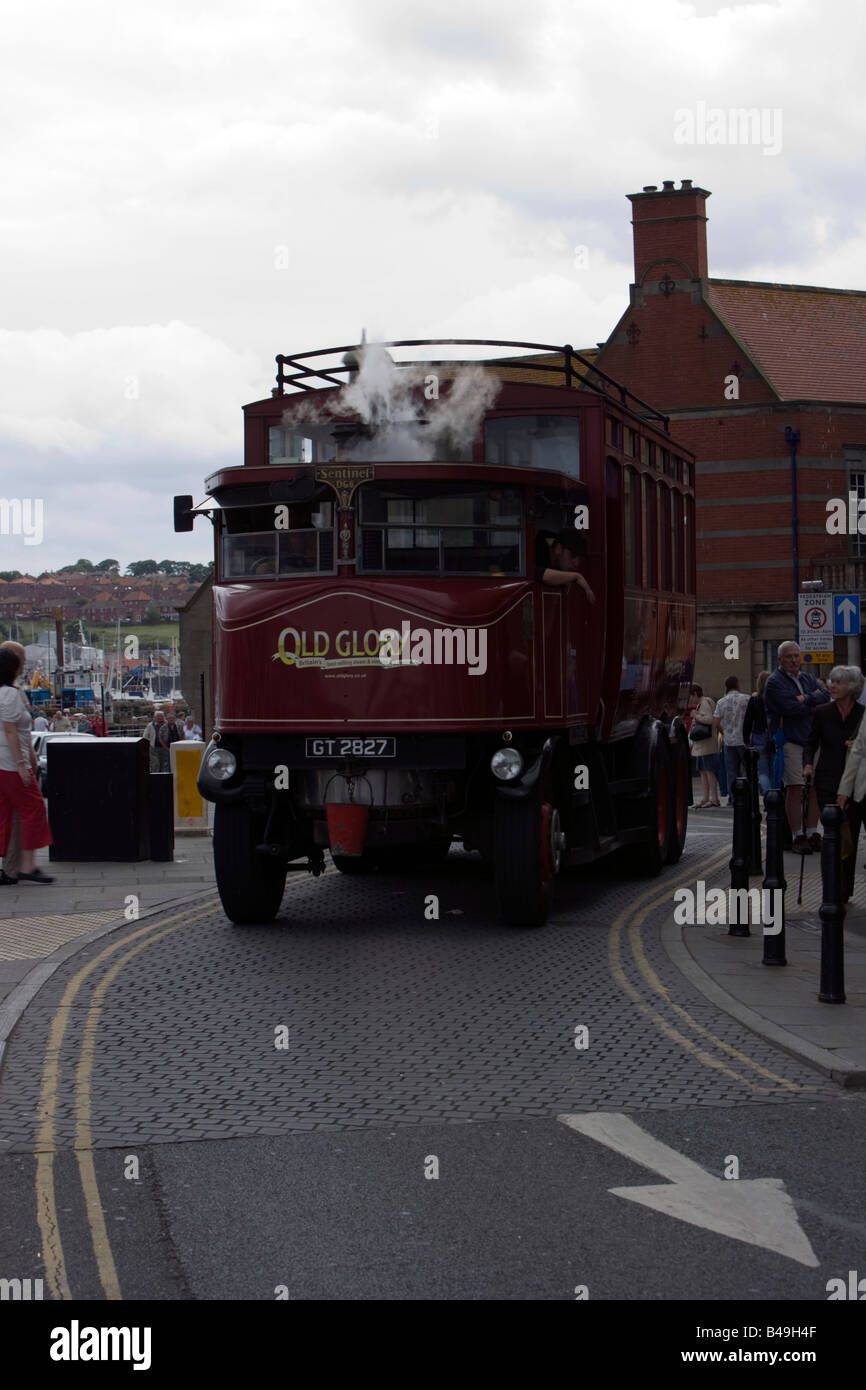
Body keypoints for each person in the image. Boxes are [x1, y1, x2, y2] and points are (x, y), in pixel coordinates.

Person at [764, 641, 830, 853]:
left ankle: (812, 832)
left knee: (814, 789)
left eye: (796, 656)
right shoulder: (774, 682)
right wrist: (811, 702)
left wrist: (805, 699)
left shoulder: (807, 677)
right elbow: (789, 707)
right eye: (789, 656)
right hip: (791, 740)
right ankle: (797, 836)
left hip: (812, 740)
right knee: (796, 788)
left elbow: (825, 696)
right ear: (780, 659)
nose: (793, 660)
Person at [804, 666, 864, 899]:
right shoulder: (822, 711)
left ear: (852, 687)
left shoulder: (863, 713)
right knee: (832, 835)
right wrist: (808, 764)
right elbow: (810, 743)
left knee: (850, 836)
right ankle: (831, 887)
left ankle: (845, 887)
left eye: (839, 682)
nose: (833, 685)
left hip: (856, 783)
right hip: (827, 780)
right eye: (832, 681)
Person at [0, 647, 54, 885]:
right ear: (14, 668)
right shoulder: (10, 694)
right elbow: (11, 731)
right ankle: (27, 866)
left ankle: (13, 868)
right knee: (35, 808)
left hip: (3, 763)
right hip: (11, 764)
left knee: (7, 814)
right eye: (20, 662)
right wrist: (23, 764)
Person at [713, 675, 750, 805]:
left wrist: (724, 732)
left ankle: (734, 797)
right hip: (744, 740)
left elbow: (716, 722)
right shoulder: (746, 699)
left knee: (731, 771)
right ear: (737, 685)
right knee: (748, 768)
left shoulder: (721, 702)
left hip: (729, 741)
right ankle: (746, 793)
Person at [535, 529, 596, 603]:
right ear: (558, 548)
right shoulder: (534, 549)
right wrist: (576, 576)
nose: (576, 564)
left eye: (580, 559)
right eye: (573, 556)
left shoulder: (562, 541)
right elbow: (537, 573)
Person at [689, 684, 721, 807]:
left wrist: (695, 716)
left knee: (709, 771)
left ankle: (713, 798)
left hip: (706, 743)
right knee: (703, 770)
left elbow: (709, 719)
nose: (691, 699)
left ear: (696, 694)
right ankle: (706, 798)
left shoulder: (705, 703)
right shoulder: (703, 703)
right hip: (702, 744)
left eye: (691, 696)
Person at [743, 669, 772, 795]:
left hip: (759, 737)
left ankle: (768, 797)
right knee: (774, 770)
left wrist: (745, 741)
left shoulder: (754, 700)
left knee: (762, 771)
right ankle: (776, 797)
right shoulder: (776, 700)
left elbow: (747, 722)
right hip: (774, 737)